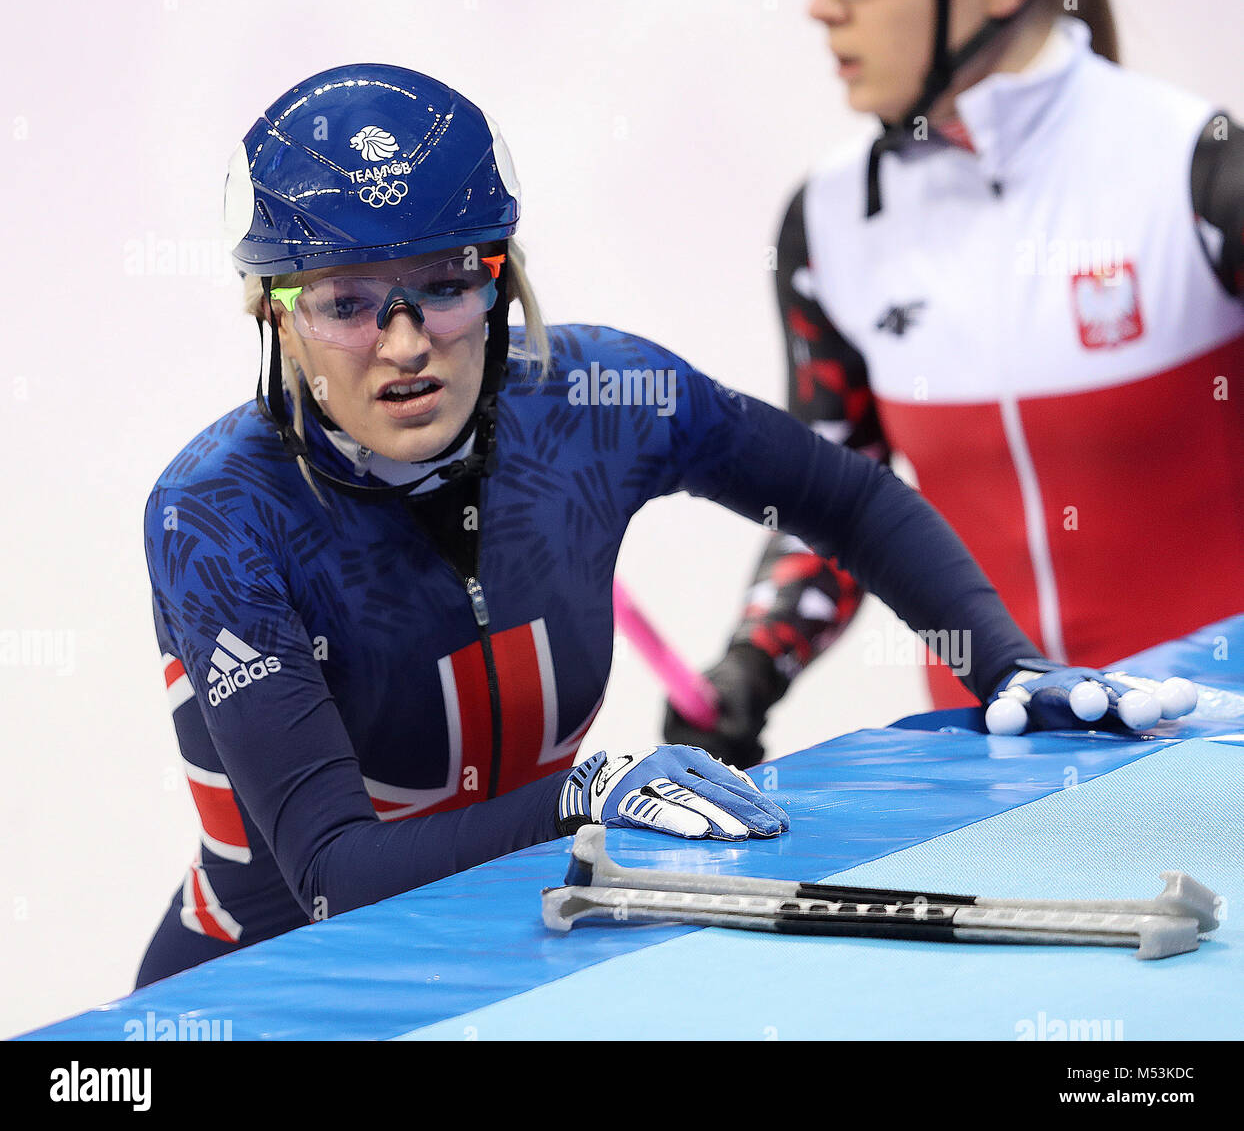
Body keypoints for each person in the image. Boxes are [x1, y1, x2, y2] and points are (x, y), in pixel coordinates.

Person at [137, 63, 1190, 987]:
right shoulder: (219, 515)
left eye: (446, 285)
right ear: (270, 311)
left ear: (501, 276)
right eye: (348, 302)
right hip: (267, 988)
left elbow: (851, 498)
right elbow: (333, 873)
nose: (405, 342)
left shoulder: (596, 400)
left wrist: (1004, 667)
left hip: (517, 963)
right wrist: (581, 796)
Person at [664, 0, 1243, 768]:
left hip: (1219, 756)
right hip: (996, 774)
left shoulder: (1199, 174)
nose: (817, 4)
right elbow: (835, 495)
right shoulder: (830, 218)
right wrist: (746, 669)